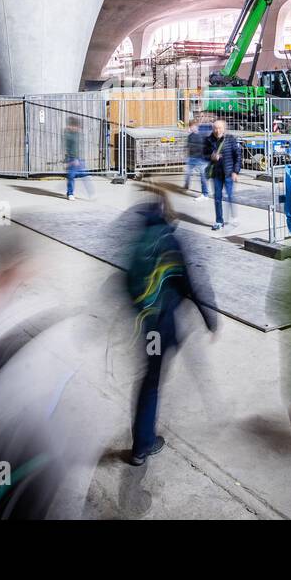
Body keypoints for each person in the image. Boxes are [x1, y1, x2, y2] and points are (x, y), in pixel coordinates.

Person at [126, 188, 218, 467]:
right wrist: (209, 317)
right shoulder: (168, 239)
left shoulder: (140, 238)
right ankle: (142, 445)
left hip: (145, 322)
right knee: (152, 382)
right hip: (162, 324)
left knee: (148, 378)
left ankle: (142, 440)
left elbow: (124, 280)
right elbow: (189, 282)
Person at [203, 119, 242, 230]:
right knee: (217, 198)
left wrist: (236, 171)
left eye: (219, 128)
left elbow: (238, 156)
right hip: (216, 174)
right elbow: (204, 154)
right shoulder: (209, 140)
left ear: (224, 129)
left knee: (230, 196)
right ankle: (219, 221)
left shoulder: (230, 139)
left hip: (229, 173)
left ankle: (234, 216)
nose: (217, 130)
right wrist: (211, 156)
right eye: (215, 128)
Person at [62, 117, 92, 200]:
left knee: (84, 174)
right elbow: (68, 148)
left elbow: (78, 147)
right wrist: (71, 160)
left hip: (78, 158)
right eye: (76, 126)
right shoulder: (68, 134)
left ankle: (90, 193)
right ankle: (70, 193)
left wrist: (79, 159)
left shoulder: (77, 134)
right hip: (71, 158)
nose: (78, 128)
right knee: (71, 176)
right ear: (71, 126)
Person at [183, 116, 210, 200]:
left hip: (200, 159)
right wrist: (186, 155)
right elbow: (187, 146)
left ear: (197, 126)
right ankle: (186, 186)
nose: (192, 128)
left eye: (193, 126)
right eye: (191, 126)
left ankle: (205, 194)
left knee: (203, 177)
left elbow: (207, 146)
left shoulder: (202, 135)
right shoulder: (190, 136)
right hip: (191, 158)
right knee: (187, 174)